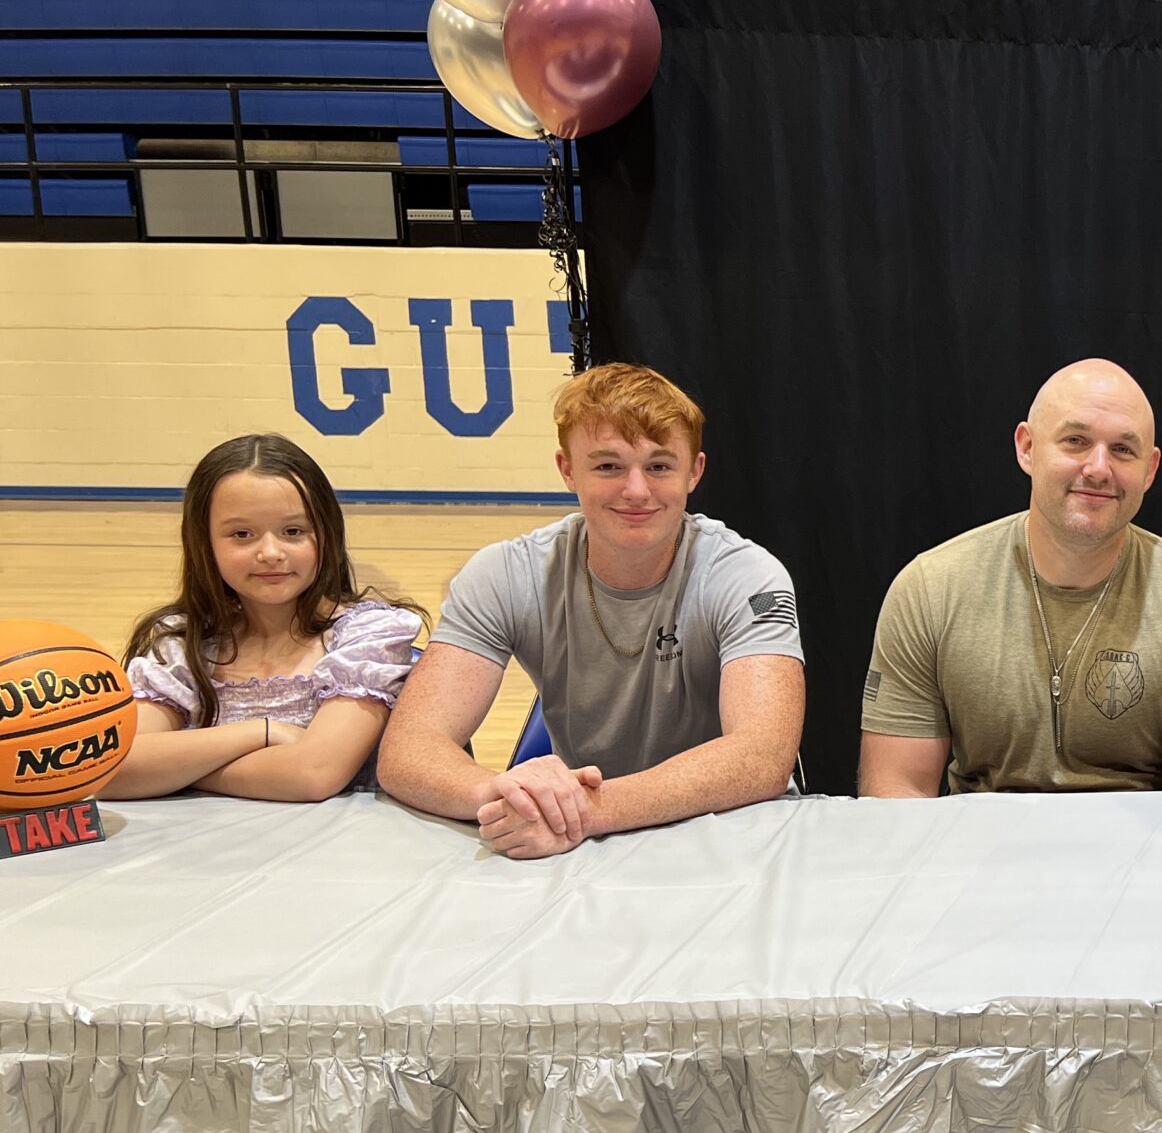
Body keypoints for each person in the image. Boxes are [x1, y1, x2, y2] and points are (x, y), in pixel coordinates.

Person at [377, 363, 804, 857]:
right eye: (608, 466)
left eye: (659, 466)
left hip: (732, 835)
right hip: (584, 848)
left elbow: (761, 758)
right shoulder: (506, 573)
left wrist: (587, 810)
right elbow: (408, 750)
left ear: (695, 472)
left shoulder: (747, 575)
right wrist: (503, 796)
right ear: (566, 470)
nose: (637, 490)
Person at [860, 358, 1162, 795]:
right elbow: (895, 796)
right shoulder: (930, 589)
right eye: (1075, 441)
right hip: (974, 856)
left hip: (1138, 858)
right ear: (1027, 448)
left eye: (1123, 450)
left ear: (1150, 470)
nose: (1098, 468)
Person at [110, 434, 422, 800]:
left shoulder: (366, 638)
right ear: (204, 542)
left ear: (327, 534)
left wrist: (177, 770)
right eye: (242, 534)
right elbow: (117, 771)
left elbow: (312, 774)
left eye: (293, 531)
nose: (271, 552)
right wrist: (264, 732)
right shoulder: (181, 642)